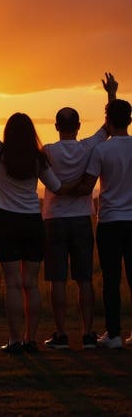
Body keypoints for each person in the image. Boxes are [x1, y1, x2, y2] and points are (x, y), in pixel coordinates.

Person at [0, 55, 64, 354]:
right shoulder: (39, 159)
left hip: (8, 222)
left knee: (12, 284)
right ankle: (30, 339)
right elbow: (56, 187)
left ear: (9, 133)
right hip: (33, 223)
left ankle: (13, 340)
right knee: (31, 284)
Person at [42, 73, 116, 350]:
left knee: (57, 279)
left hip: (54, 219)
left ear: (56, 126)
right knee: (84, 279)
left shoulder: (48, 151)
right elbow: (109, 128)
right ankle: (88, 333)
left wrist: (63, 188)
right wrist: (110, 95)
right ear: (78, 126)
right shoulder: (87, 147)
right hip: (82, 218)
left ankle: (61, 334)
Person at [75, 96, 132, 349]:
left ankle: (114, 334)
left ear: (107, 121)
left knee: (111, 280)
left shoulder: (101, 150)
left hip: (109, 221)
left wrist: (61, 187)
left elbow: (87, 186)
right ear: (130, 120)